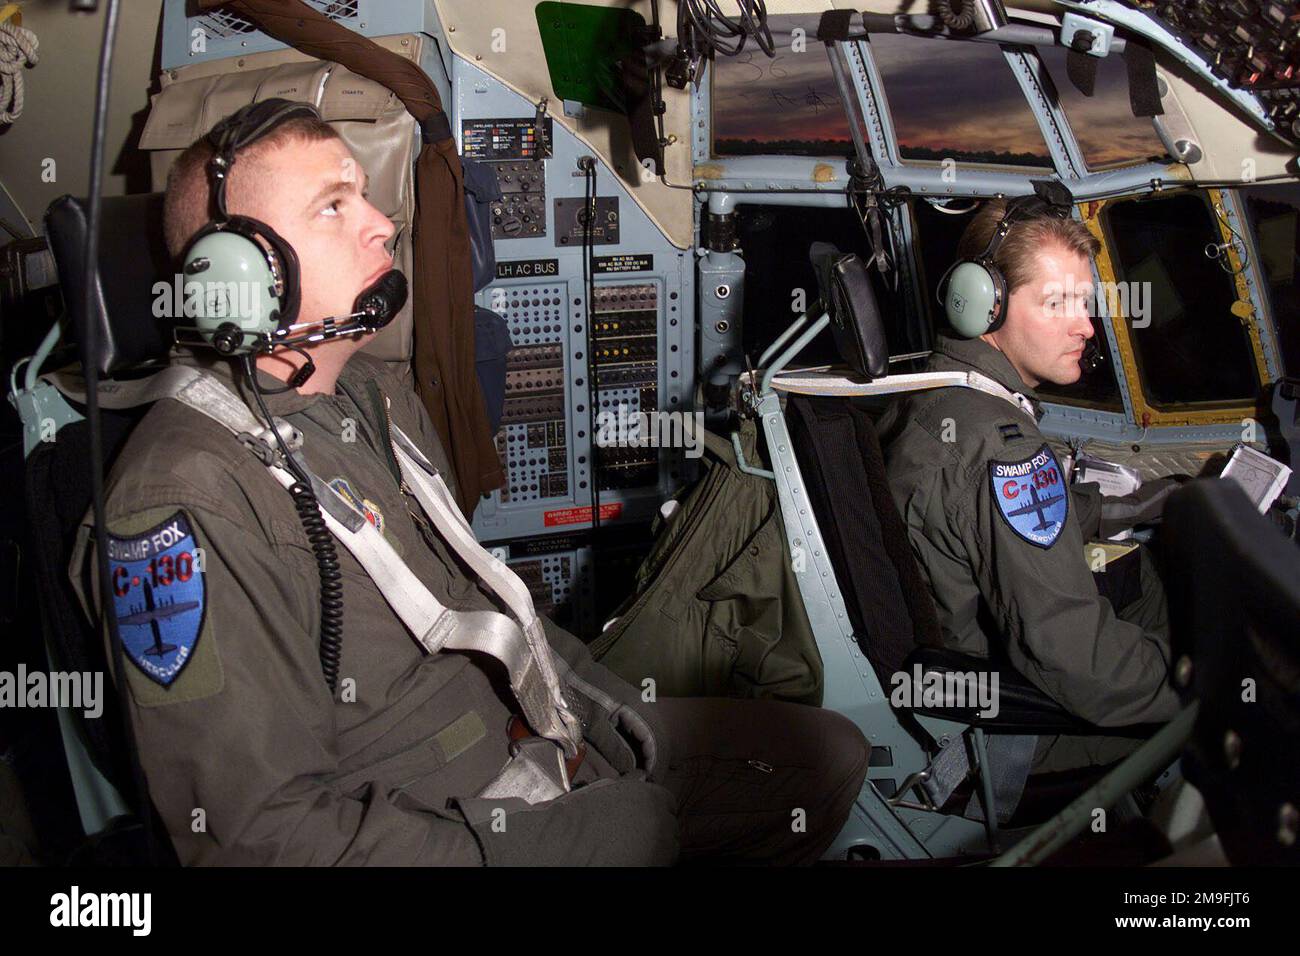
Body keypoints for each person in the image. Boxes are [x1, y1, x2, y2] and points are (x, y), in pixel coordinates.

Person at [67, 99, 870, 865]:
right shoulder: (181, 501)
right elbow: (257, 843)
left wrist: (611, 711)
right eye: (333, 207)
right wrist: (573, 845)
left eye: (365, 197)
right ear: (235, 278)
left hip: (527, 724)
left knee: (824, 757)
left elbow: (491, 606)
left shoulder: (377, 399)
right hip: (435, 814)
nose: (383, 223)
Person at [877, 197, 1183, 774]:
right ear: (985, 308)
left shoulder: (940, 395)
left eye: (1085, 303)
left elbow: (1018, 516)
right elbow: (1074, 660)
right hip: (1007, 733)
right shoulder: (1002, 446)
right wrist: (1213, 679)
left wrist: (1145, 501)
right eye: (1056, 303)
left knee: (1152, 583)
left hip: (966, 679)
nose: (1086, 326)